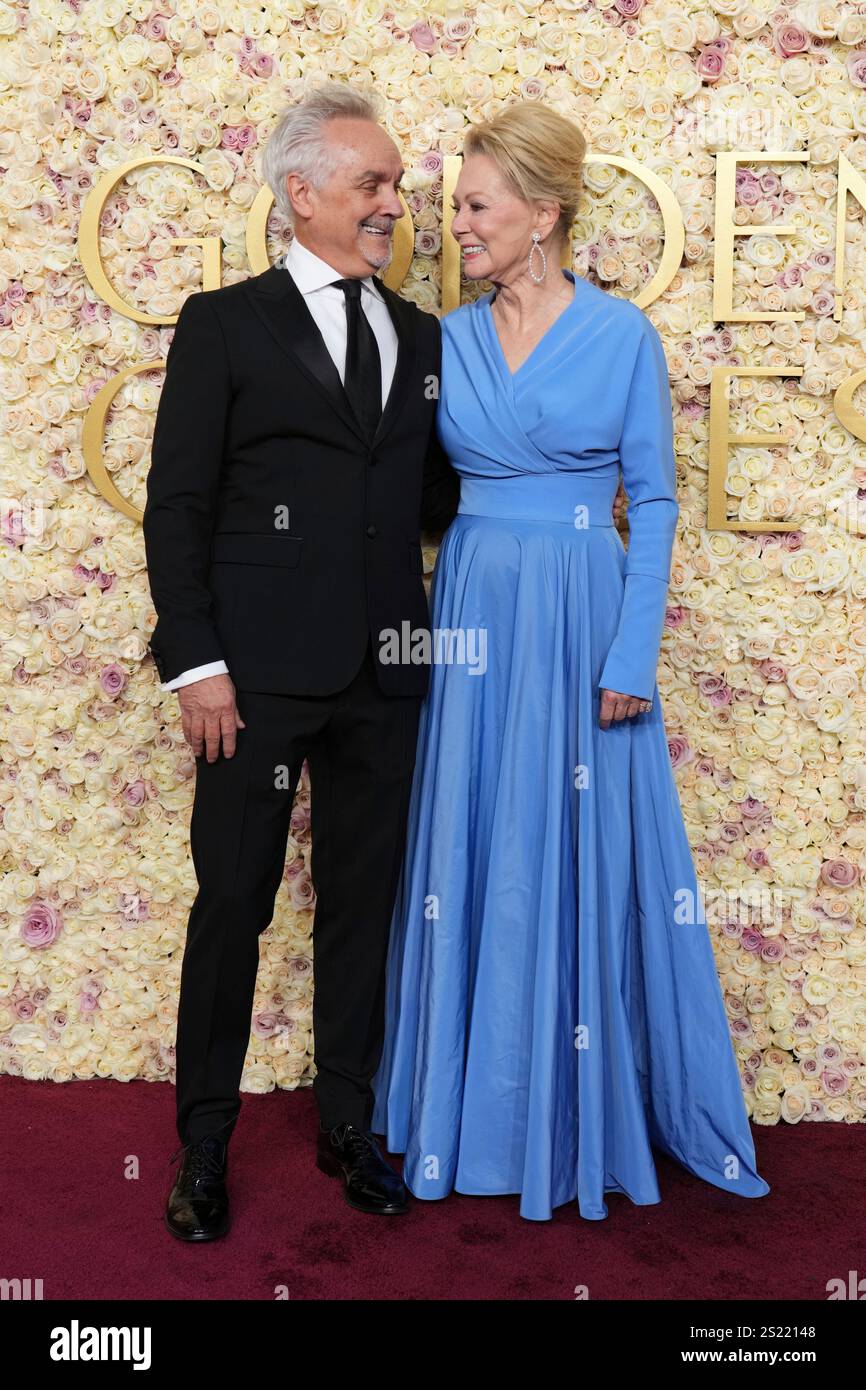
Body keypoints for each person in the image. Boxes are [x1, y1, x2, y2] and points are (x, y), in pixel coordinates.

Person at [371, 102, 771, 1222]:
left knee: (581, 854)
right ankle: (471, 1107)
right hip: (473, 616)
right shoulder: (442, 341)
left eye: (475, 204)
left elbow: (651, 500)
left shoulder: (620, 337)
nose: (453, 224)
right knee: (478, 843)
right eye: (453, 204)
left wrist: (629, 653)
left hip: (584, 612)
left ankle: (578, 1106)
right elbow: (401, 489)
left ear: (542, 215)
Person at [143, 81, 466, 1238]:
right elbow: (176, 504)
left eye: (397, 187)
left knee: (362, 906)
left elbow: (431, 497)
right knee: (234, 901)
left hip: (386, 670)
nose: (395, 207)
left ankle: (347, 1125)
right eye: (372, 185)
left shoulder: (420, 335)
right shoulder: (224, 322)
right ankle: (202, 1146)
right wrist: (196, 665)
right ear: (302, 193)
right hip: (255, 681)